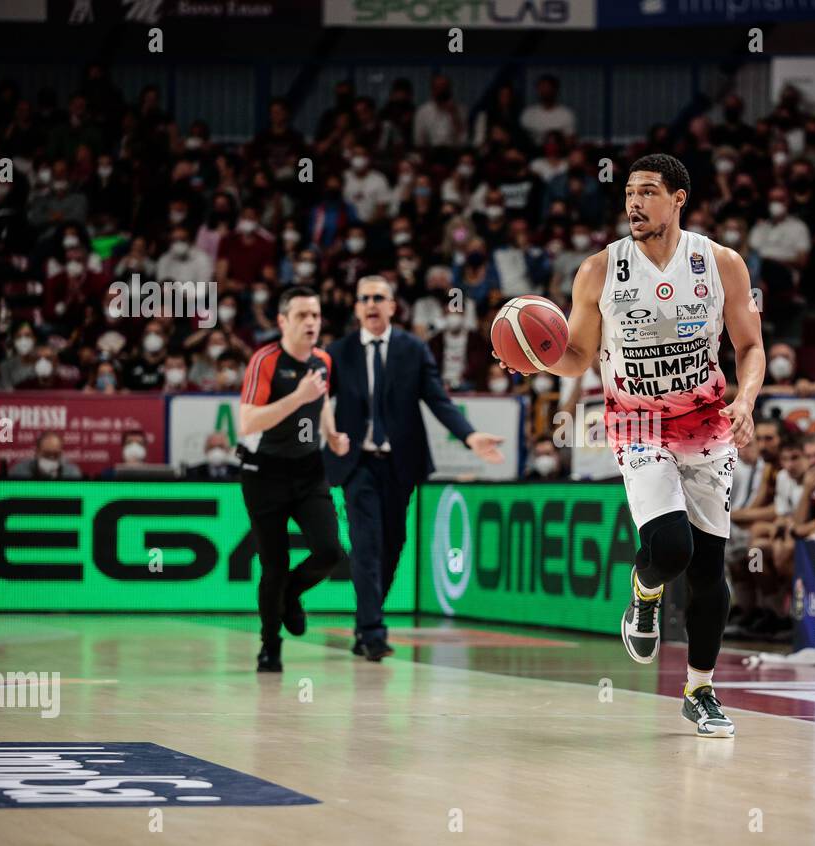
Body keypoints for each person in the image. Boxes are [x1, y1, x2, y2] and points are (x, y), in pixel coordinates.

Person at [497, 154, 764, 737]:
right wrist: (535, 356)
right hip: (637, 422)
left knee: (710, 568)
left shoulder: (721, 264)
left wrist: (744, 402)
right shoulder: (598, 271)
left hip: (706, 420)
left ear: (679, 198)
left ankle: (700, 689)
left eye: (648, 191)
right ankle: (643, 592)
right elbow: (576, 356)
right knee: (670, 548)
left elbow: (749, 346)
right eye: (629, 193)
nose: (634, 203)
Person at [324, 275, 503, 662]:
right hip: (357, 465)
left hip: (399, 465)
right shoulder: (339, 352)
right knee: (366, 545)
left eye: (379, 298)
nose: (371, 304)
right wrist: (326, 433)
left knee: (393, 545)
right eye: (364, 298)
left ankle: (365, 620)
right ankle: (372, 631)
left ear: (392, 307)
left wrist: (470, 437)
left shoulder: (413, 349)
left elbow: (438, 401)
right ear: (356, 308)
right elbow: (320, 399)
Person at [238, 286, 348, 673]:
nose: (311, 323)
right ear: (283, 321)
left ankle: (289, 597)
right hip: (263, 472)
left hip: (308, 470)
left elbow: (322, 404)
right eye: (302, 315)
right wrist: (298, 397)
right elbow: (248, 420)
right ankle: (270, 647)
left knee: (330, 552)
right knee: (274, 565)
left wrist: (332, 434)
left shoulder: (322, 361)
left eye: (315, 315)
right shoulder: (265, 360)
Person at [8, 431, 82, 479]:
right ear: (37, 452)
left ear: (61, 452)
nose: (51, 457)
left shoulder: (71, 472)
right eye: (47, 454)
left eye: (55, 454)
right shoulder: (20, 471)